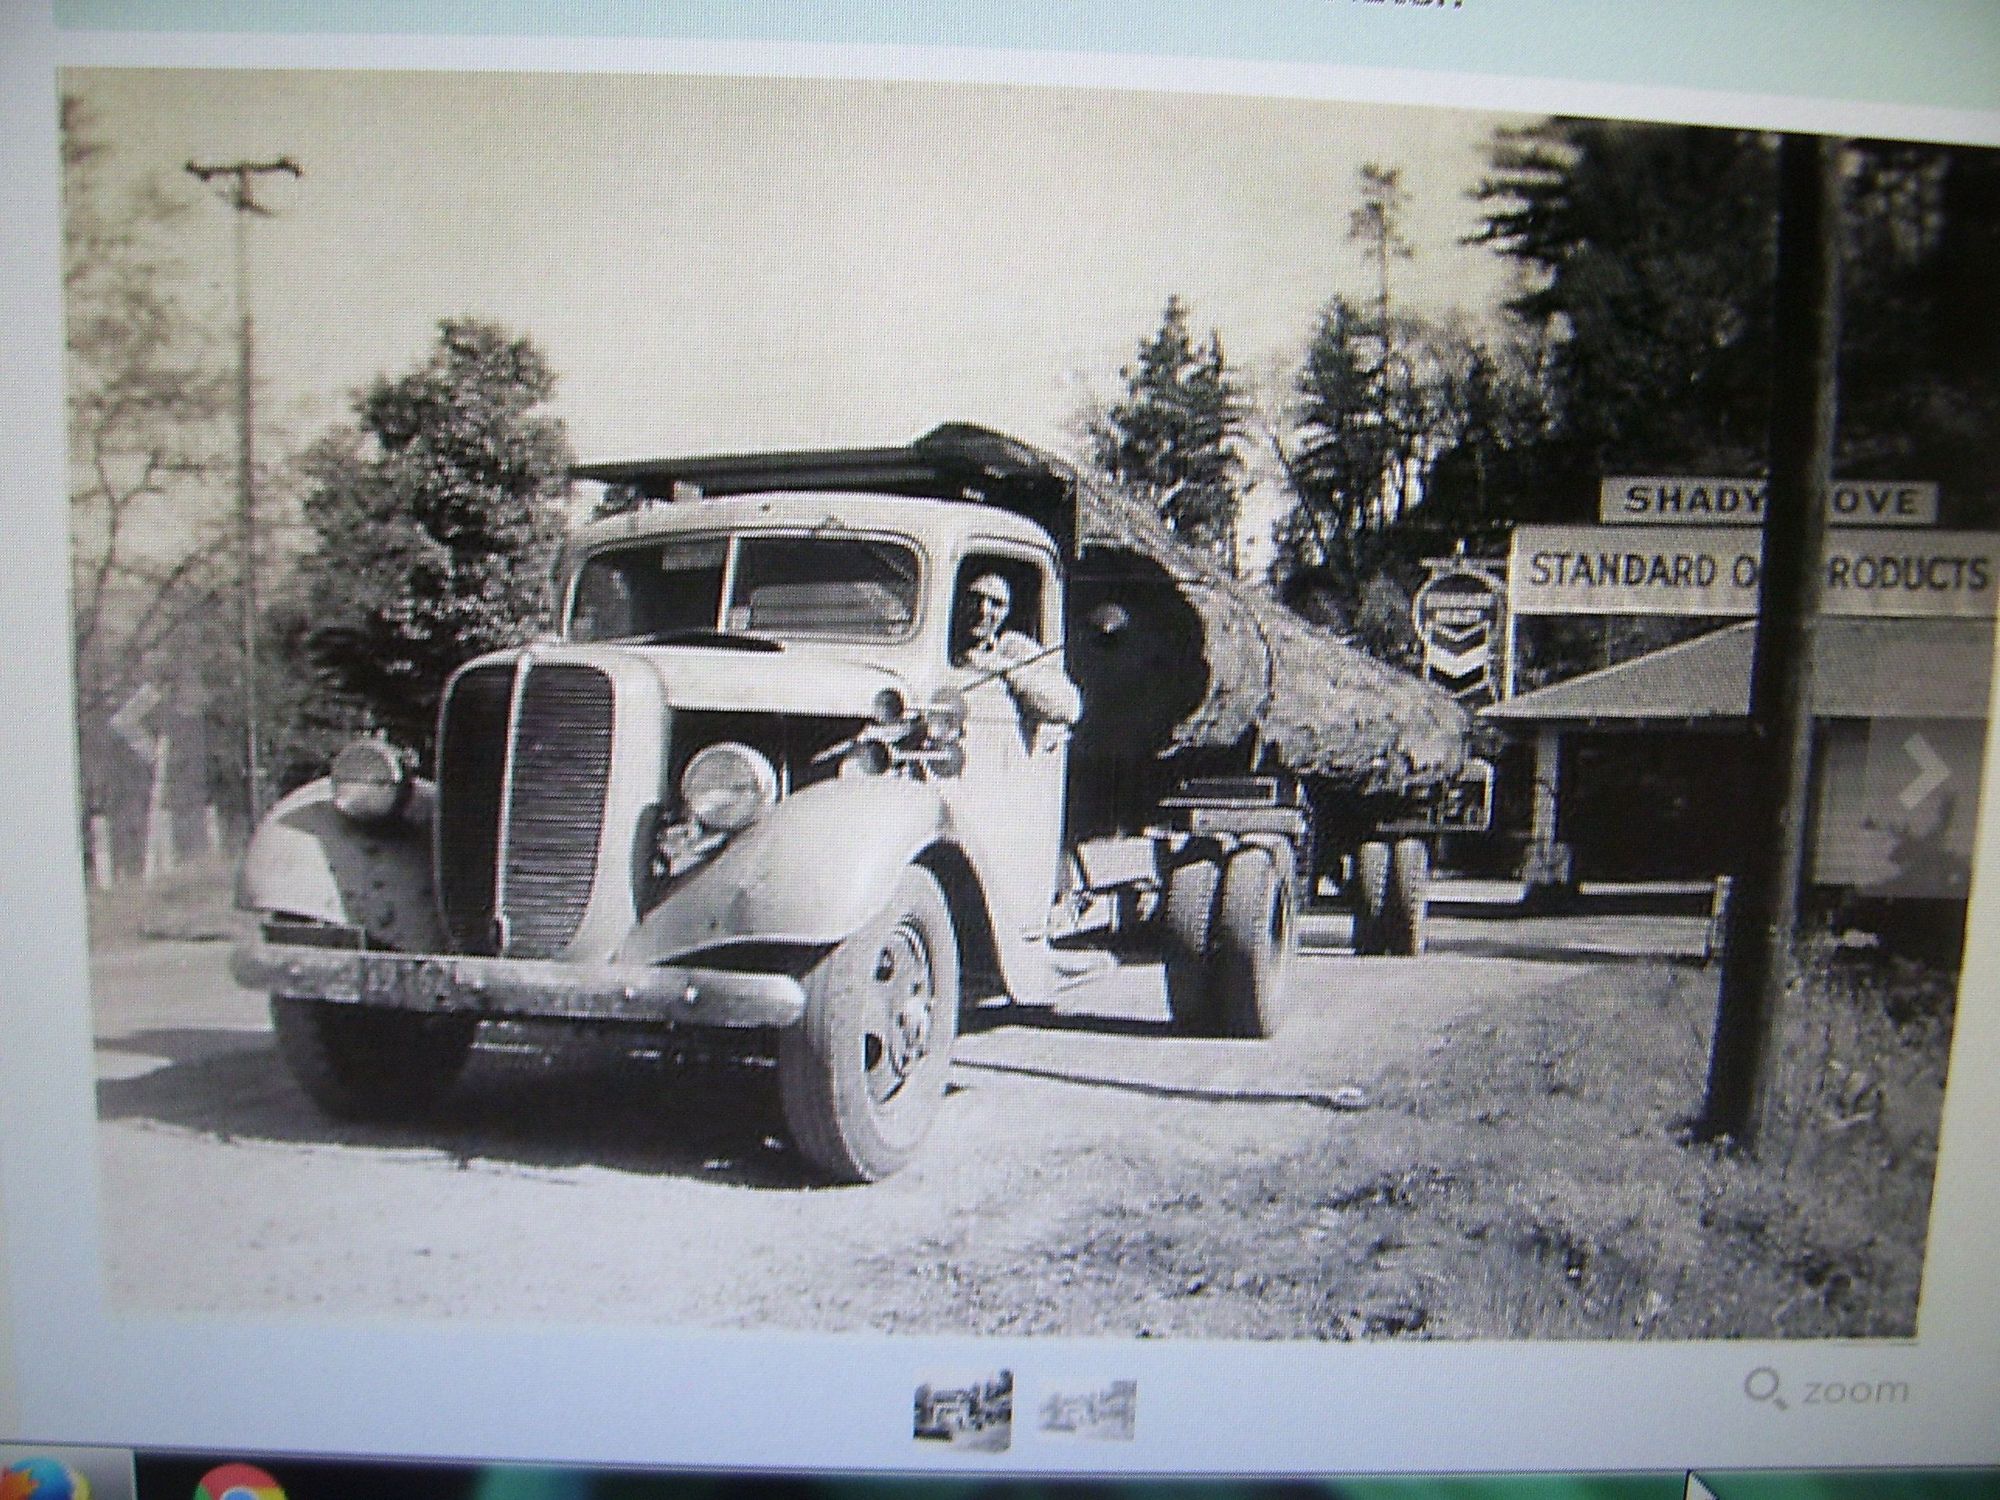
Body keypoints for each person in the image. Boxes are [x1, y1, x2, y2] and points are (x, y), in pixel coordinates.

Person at [953, 571, 1082, 730]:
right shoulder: (937, 639)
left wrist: (998, 666)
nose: (983, 610)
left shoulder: (1014, 648)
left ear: (1006, 612)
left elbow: (1069, 707)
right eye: (975, 598)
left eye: (996, 603)